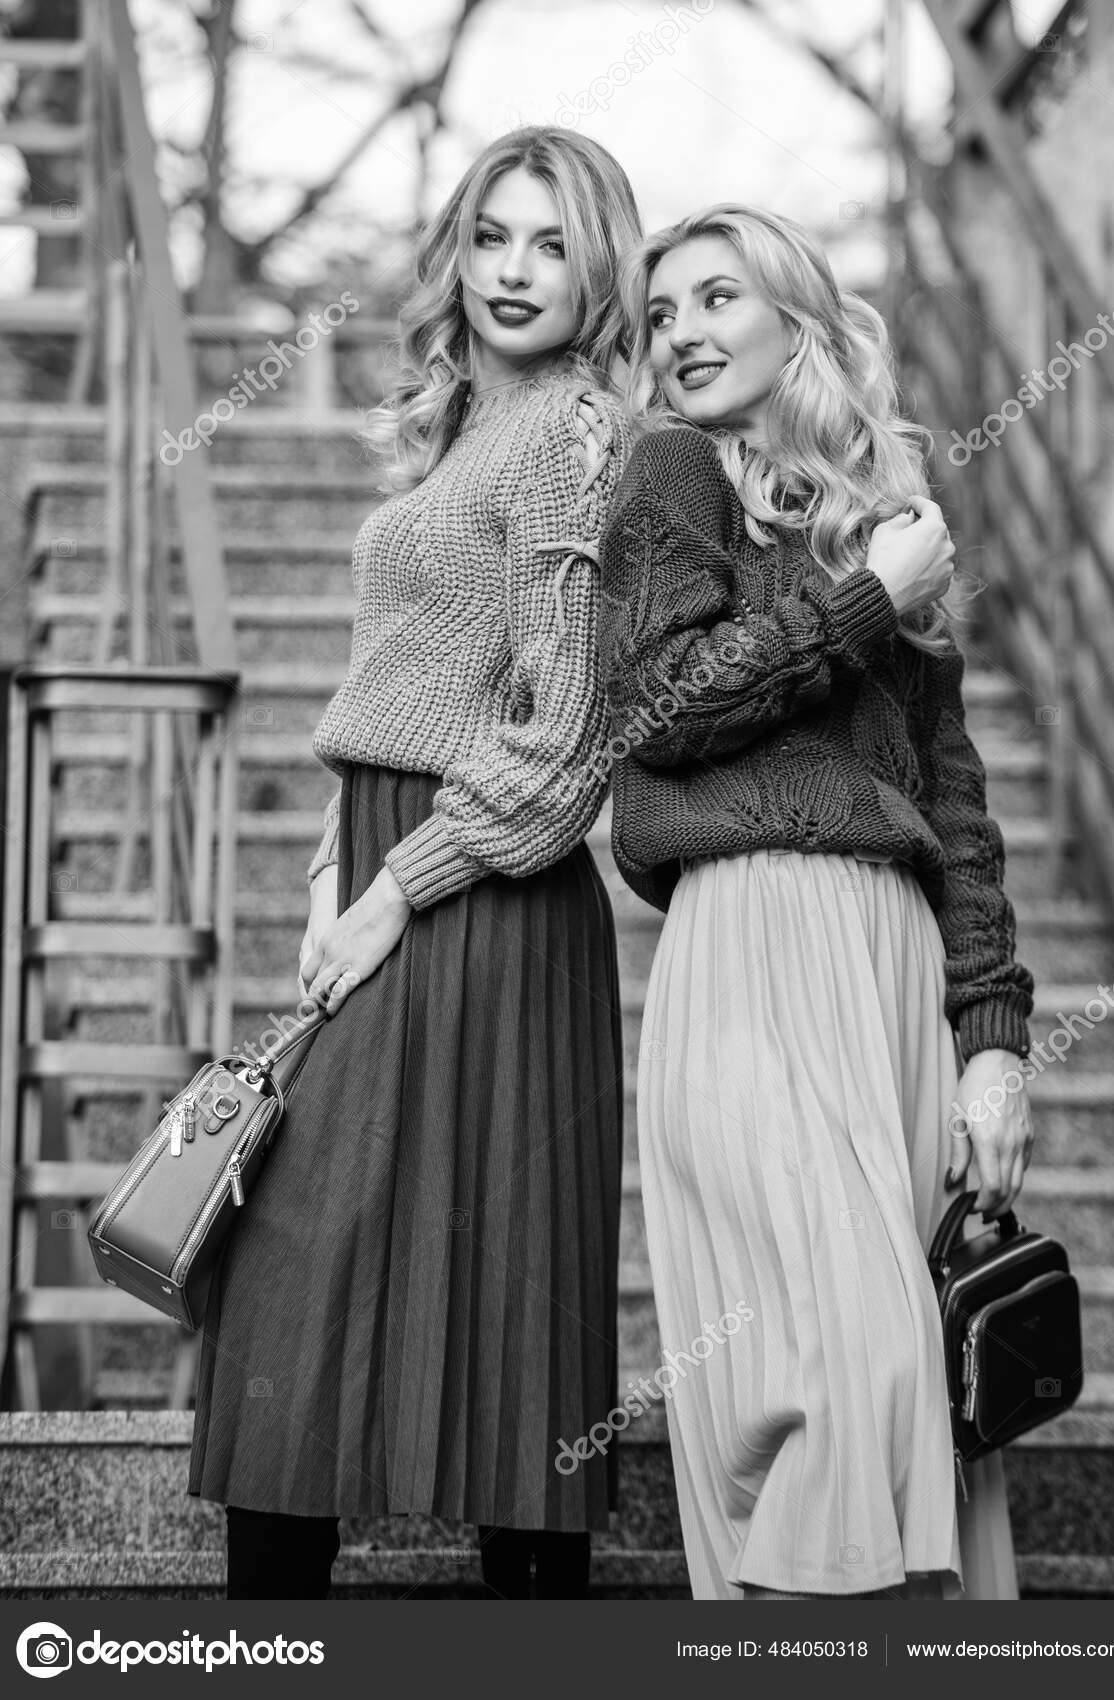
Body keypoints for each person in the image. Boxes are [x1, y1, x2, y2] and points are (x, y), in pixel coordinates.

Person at [186, 127, 641, 1602]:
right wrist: (338, 860)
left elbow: (567, 738)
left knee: (484, 1283)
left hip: (485, 896)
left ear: (600, 271)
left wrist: (394, 888)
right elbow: (397, 678)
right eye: (492, 236)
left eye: (553, 244)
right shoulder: (460, 426)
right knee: (301, 1271)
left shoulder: (575, 437)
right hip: (387, 863)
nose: (515, 271)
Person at [596, 204, 1036, 1601]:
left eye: (718, 297)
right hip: (750, 947)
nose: (682, 333)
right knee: (849, 1373)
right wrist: (863, 602)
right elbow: (664, 707)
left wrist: (994, 1044)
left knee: (917, 1418)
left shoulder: (887, 517)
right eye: (661, 314)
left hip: (893, 970)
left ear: (799, 320)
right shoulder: (669, 476)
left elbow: (956, 809)